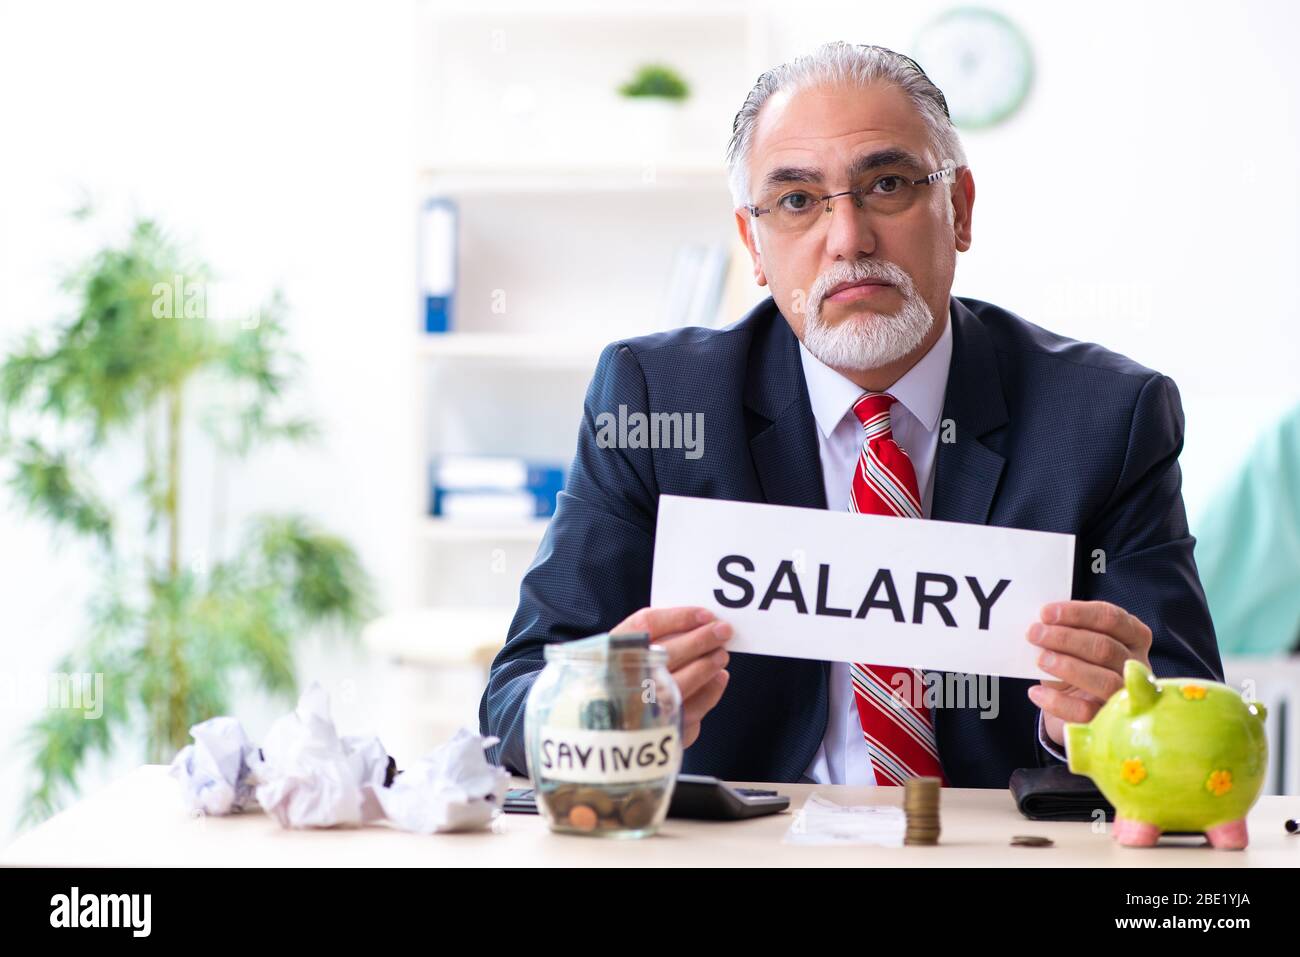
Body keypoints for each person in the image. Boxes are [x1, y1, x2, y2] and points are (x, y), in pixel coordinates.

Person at [479, 42, 1222, 787]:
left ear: (958, 208)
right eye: (798, 201)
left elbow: (1199, 719)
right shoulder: (655, 398)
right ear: (754, 245)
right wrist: (597, 704)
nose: (848, 239)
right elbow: (511, 702)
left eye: (888, 184)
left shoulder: (1108, 418)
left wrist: (1116, 718)